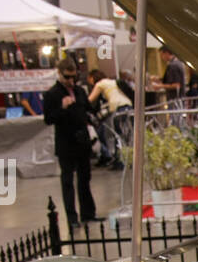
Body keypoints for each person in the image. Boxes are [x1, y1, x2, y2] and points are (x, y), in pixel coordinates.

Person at [43, 59, 97, 228]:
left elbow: (88, 110)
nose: (70, 81)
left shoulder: (79, 91)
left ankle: (88, 213)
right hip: (66, 143)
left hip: (82, 142)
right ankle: (72, 218)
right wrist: (63, 108)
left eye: (73, 77)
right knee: (68, 181)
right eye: (67, 77)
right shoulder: (52, 94)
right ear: (59, 74)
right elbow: (49, 119)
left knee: (84, 178)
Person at [86, 69, 133, 170]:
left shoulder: (100, 84)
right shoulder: (112, 81)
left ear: (93, 77)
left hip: (119, 108)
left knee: (119, 136)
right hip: (128, 106)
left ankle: (121, 162)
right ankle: (128, 160)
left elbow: (89, 100)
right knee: (126, 136)